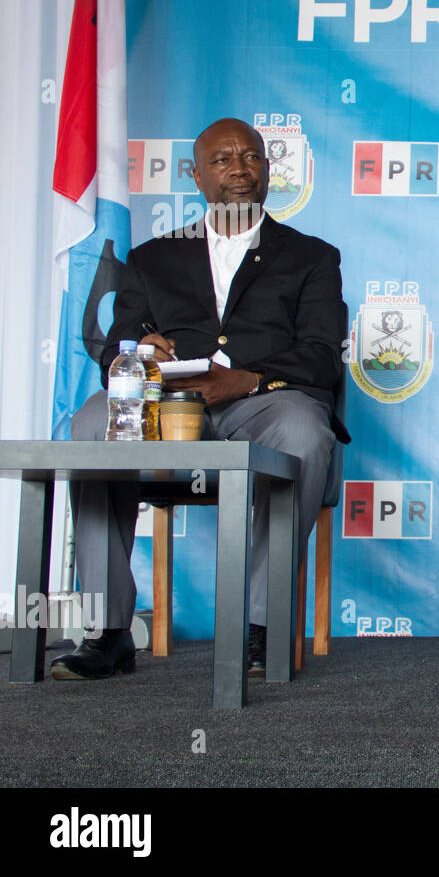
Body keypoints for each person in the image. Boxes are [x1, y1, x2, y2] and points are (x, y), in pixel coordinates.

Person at [52, 118, 348, 680]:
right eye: (222, 159)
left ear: (266, 169)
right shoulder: (152, 258)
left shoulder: (311, 256)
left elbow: (320, 356)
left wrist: (247, 378)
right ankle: (109, 630)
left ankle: (262, 626)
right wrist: (137, 349)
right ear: (195, 174)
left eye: (251, 157)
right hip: (166, 407)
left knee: (306, 433)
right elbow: (113, 345)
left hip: (263, 404)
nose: (239, 169)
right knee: (92, 426)